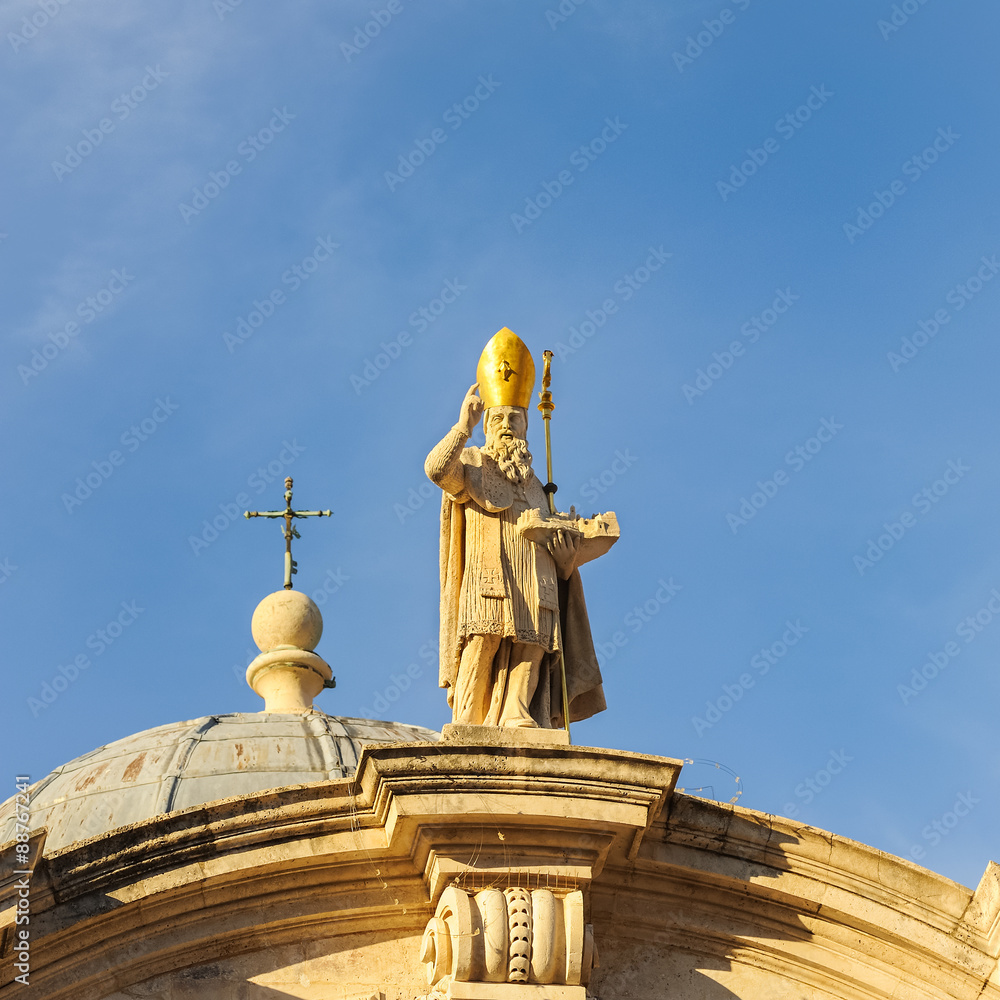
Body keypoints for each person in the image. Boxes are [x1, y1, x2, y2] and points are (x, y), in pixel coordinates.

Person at [424, 328, 607, 728]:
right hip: (488, 571)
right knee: (483, 638)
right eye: (498, 418)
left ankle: (517, 713)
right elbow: (436, 469)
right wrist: (462, 427)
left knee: (535, 642)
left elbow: (560, 553)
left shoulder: (539, 487)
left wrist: (566, 561)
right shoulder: (472, 462)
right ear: (487, 424)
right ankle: (470, 719)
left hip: (535, 575)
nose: (507, 425)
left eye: (515, 418)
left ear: (526, 426)